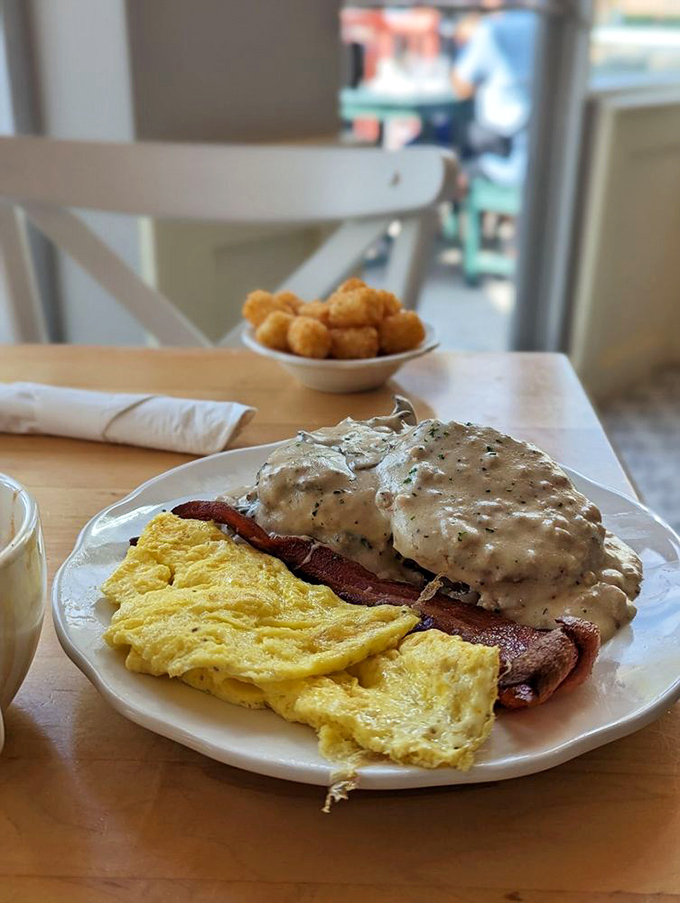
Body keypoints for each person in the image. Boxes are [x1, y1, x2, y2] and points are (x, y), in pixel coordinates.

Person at [451, 7, 537, 188]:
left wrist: (465, 41)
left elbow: (461, 87)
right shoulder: (541, 24)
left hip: (503, 142)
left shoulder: (491, 30)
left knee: (442, 137)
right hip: (532, 137)